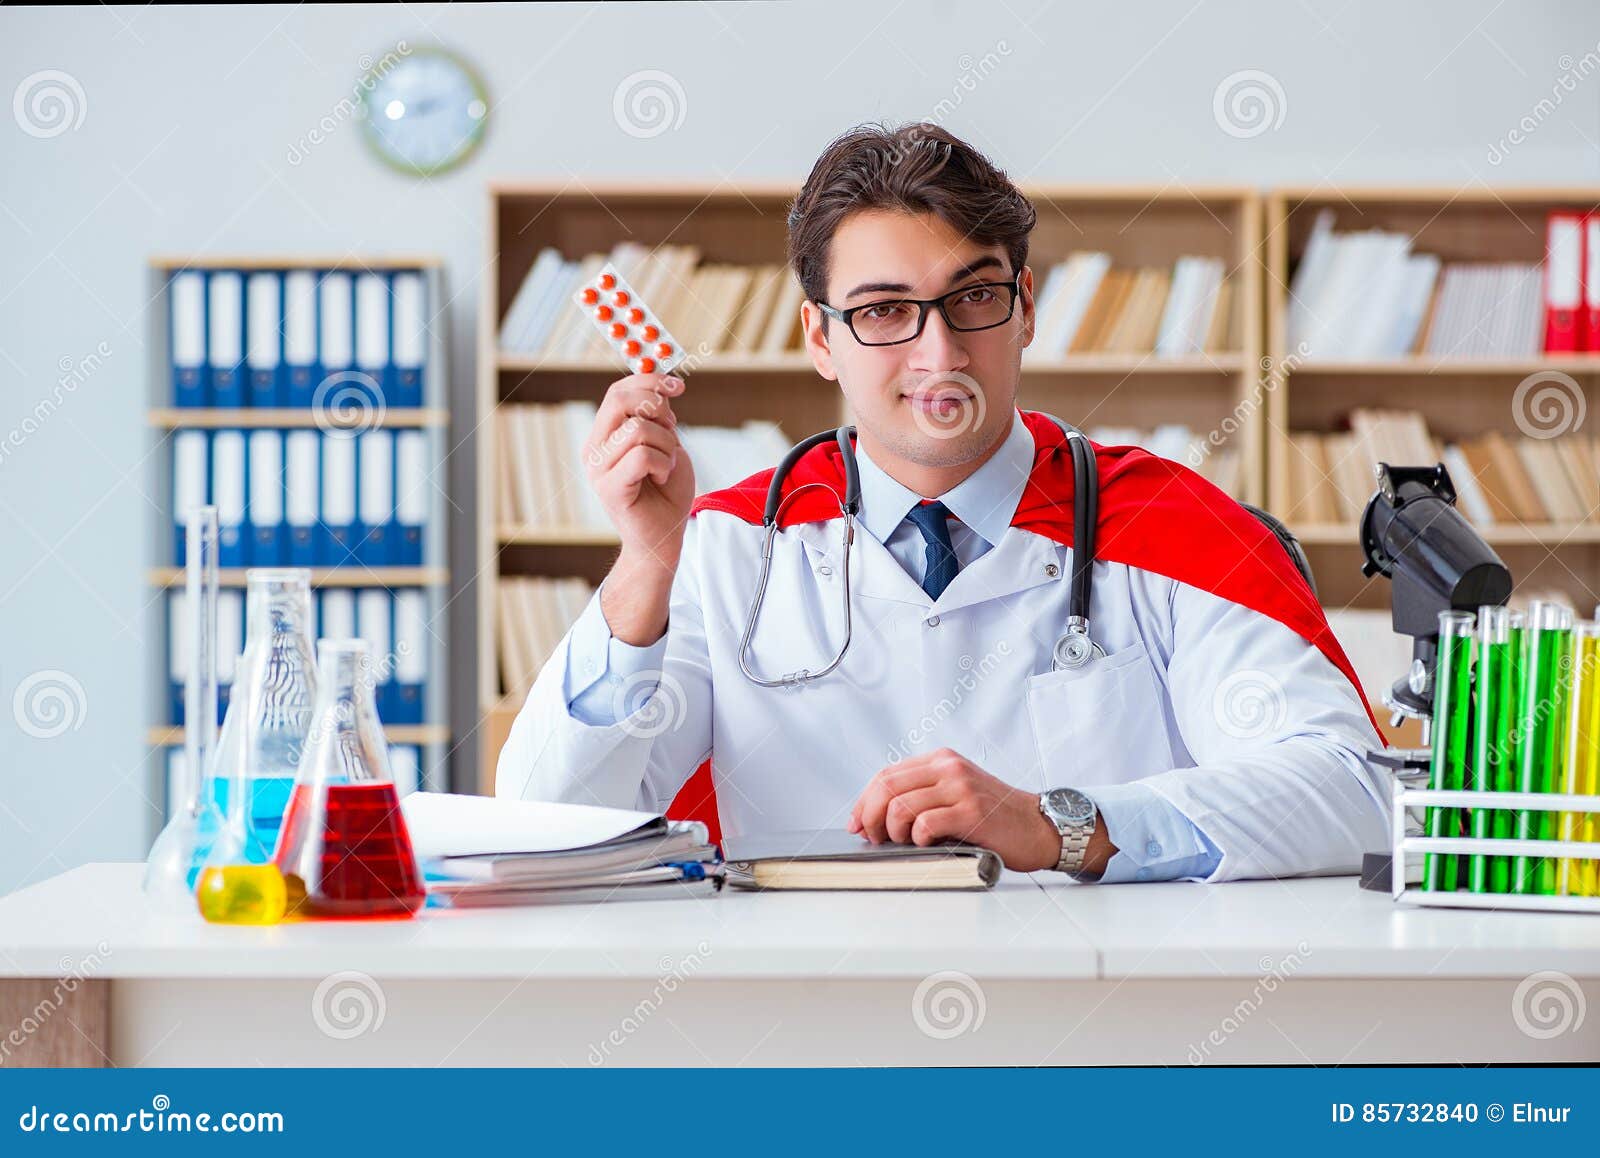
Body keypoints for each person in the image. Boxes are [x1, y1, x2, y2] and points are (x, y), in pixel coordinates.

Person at [496, 121, 1390, 883]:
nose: (938, 353)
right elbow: (543, 826)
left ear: (1026, 307)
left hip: (1105, 1018)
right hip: (804, 1019)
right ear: (820, 336)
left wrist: (1062, 825)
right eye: (885, 311)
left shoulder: (1166, 522)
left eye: (972, 297)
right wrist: (646, 567)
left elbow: (1353, 789)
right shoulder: (731, 546)